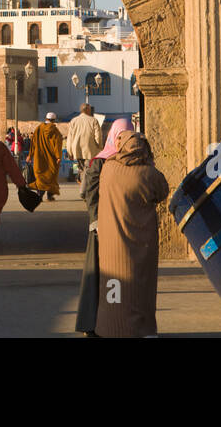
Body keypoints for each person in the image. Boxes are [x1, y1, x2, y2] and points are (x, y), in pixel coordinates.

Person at [96, 130, 170, 338]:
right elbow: (163, 191)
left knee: (114, 286)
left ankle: (109, 327)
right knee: (140, 286)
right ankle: (141, 329)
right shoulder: (149, 174)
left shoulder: (108, 169)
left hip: (111, 243)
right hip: (140, 241)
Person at [74, 117, 132, 336]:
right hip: (101, 229)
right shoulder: (100, 161)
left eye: (129, 136)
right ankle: (92, 324)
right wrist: (97, 221)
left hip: (124, 228)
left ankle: (117, 323)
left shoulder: (132, 159)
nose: (124, 141)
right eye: (121, 136)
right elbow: (90, 193)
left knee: (120, 277)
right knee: (97, 276)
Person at [29, 112, 64, 201]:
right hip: (51, 159)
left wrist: (30, 155)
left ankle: (39, 195)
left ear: (46, 119)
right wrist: (58, 156)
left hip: (39, 157)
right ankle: (49, 195)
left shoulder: (38, 129)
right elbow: (58, 145)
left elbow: (33, 143)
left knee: (40, 176)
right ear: (54, 120)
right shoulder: (55, 131)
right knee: (51, 177)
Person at [66, 104, 104, 183]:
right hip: (90, 151)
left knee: (80, 169)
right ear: (88, 110)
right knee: (88, 170)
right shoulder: (93, 120)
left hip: (77, 151)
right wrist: (100, 148)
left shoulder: (74, 121)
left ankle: (82, 184)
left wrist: (69, 152)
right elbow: (98, 137)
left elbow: (70, 138)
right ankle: (84, 189)